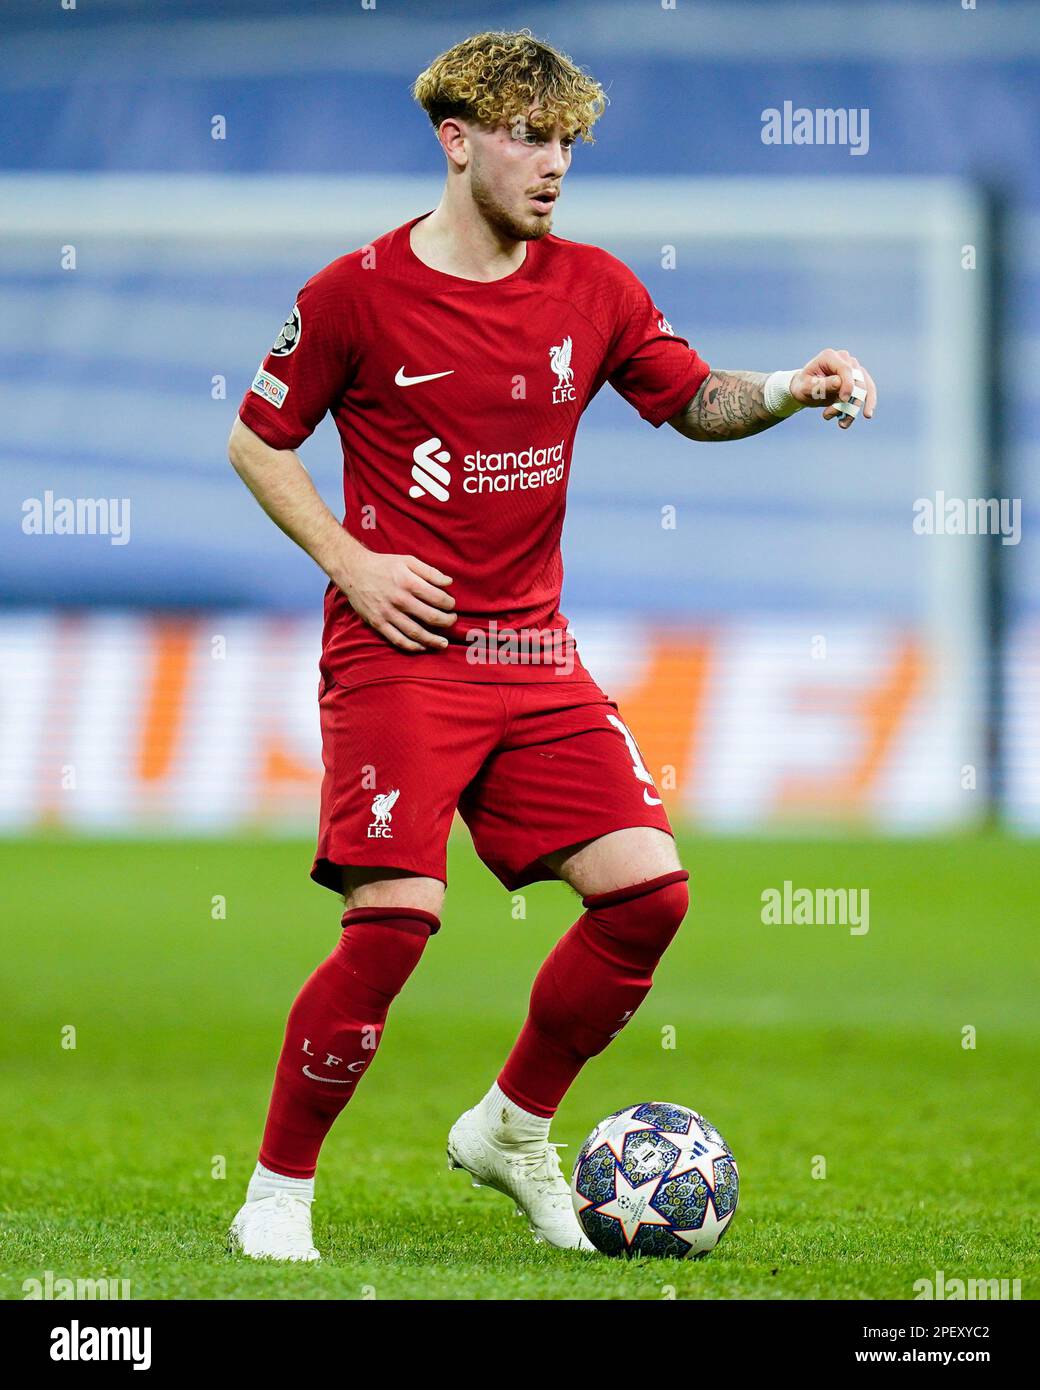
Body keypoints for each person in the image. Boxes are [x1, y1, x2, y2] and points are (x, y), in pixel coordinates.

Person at [226, 28, 877, 1261]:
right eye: (529, 135)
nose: (554, 163)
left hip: (532, 653)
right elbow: (258, 442)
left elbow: (689, 400)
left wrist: (792, 383)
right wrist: (352, 562)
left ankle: (511, 1128)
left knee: (647, 898)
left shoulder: (595, 288)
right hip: (400, 650)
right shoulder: (351, 294)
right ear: (455, 138)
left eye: (568, 139)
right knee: (396, 919)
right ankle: (275, 1191)